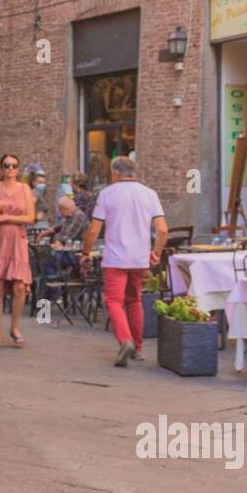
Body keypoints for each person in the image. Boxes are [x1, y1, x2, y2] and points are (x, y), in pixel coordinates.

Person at [80, 156, 168, 367]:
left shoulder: (107, 194)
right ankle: (137, 348)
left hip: (116, 258)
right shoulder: (150, 194)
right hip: (139, 259)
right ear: (134, 172)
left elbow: (94, 229)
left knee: (113, 301)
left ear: (115, 173)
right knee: (134, 300)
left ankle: (125, 340)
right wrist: (156, 252)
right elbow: (163, 229)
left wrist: (85, 252)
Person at [0, 153, 36, 346]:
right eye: (6, 165)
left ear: (18, 169)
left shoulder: (25, 188)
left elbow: (30, 218)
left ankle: (15, 327)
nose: (10, 169)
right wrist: (4, 217)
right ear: (0, 168)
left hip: (18, 239)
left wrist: (6, 217)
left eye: (14, 166)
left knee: (19, 285)